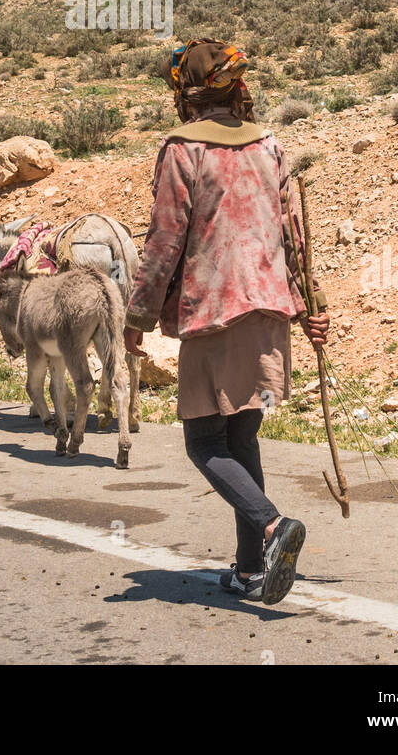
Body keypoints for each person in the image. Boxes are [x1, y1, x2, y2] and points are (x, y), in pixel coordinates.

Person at [123, 38, 329, 603]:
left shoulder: (180, 149)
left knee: (203, 441)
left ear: (183, 94)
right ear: (237, 86)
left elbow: (165, 240)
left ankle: (271, 526)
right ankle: (249, 570)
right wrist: (313, 308)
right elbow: (294, 234)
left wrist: (136, 315)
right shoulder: (269, 146)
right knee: (241, 436)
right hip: (270, 309)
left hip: (215, 311)